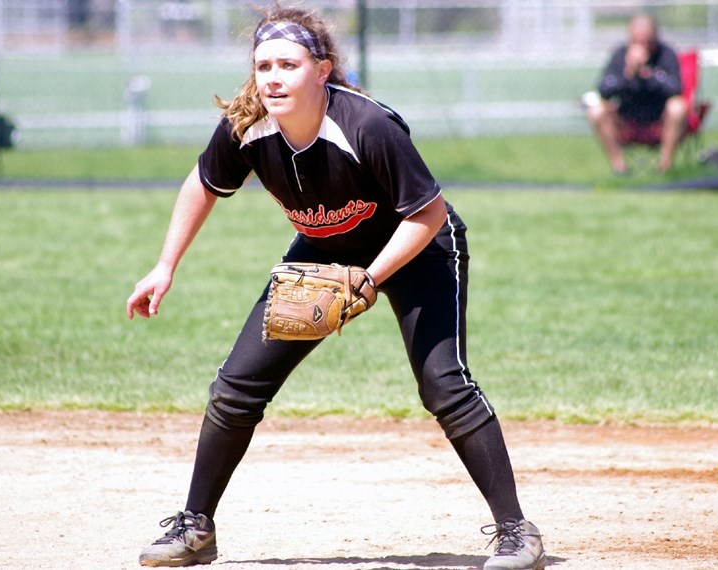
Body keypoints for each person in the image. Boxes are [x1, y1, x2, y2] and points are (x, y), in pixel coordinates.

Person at [125, 3, 546, 570]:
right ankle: (196, 526)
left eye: (288, 65)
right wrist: (164, 265)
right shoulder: (248, 126)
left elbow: (427, 214)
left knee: (444, 385)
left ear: (321, 70)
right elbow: (202, 183)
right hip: (325, 250)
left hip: (418, 247)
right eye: (264, 66)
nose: (273, 78)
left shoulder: (365, 125)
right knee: (236, 386)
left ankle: (517, 532)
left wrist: (369, 279)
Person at [585, 13, 687, 174]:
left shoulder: (666, 54)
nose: (642, 46)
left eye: (647, 42)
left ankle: (665, 167)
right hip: (625, 122)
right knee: (596, 110)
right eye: (636, 41)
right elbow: (603, 89)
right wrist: (628, 74)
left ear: (655, 38)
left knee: (678, 107)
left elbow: (676, 88)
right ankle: (620, 168)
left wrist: (648, 75)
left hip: (659, 121)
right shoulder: (620, 55)